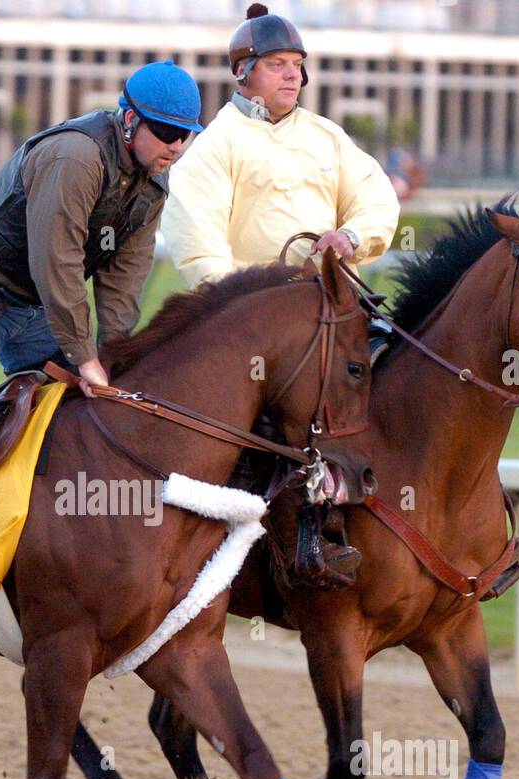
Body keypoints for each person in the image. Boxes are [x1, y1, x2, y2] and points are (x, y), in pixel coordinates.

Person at [0, 60, 203, 610]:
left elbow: (122, 290)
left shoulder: (153, 187)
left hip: (34, 306)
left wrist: (113, 359)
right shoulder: (75, 156)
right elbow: (58, 265)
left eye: (185, 136)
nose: (176, 147)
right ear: (129, 120)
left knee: (81, 408)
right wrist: (84, 354)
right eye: (166, 133)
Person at [160, 3, 401, 585]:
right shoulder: (213, 149)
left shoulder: (327, 137)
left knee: (406, 371)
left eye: (297, 65)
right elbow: (201, 255)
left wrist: (352, 234)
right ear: (244, 72)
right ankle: (298, 546)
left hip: (335, 308)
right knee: (305, 413)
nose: (293, 75)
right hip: (259, 330)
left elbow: (377, 198)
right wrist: (249, 320)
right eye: (277, 65)